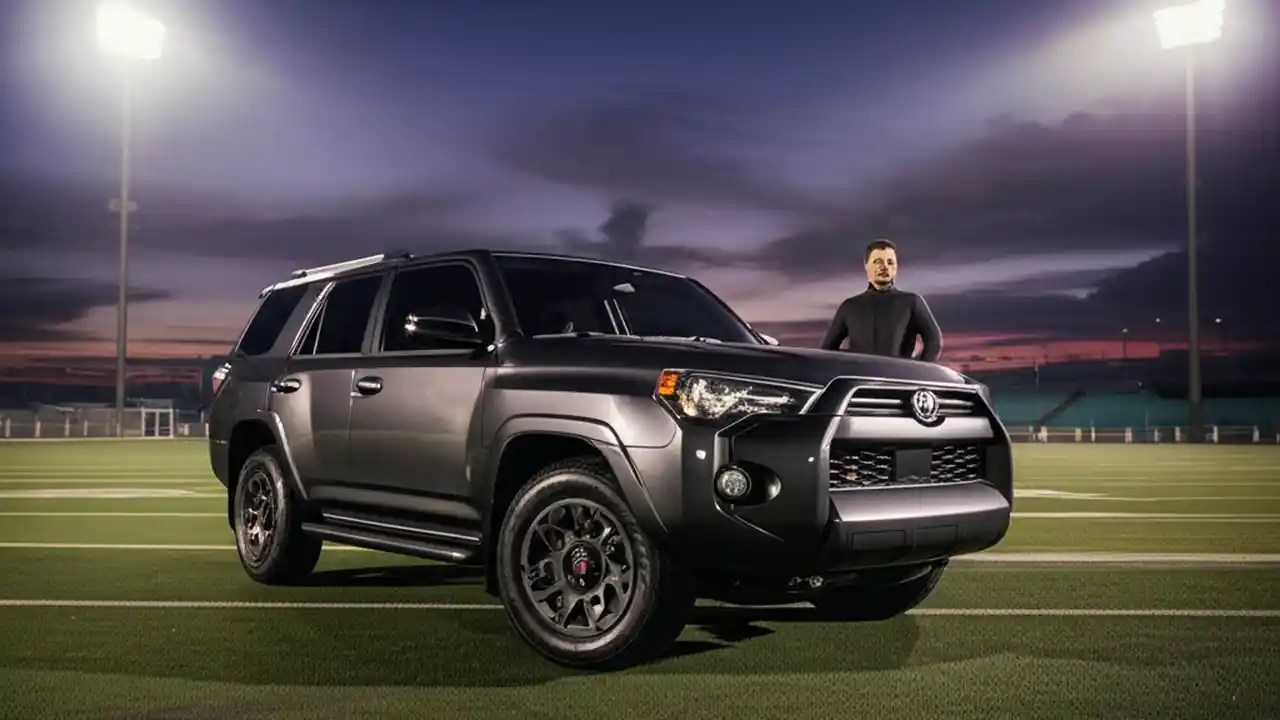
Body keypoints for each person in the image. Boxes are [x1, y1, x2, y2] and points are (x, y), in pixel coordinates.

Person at [820, 238, 943, 362]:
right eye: (878, 262)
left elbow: (934, 341)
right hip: (860, 379)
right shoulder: (850, 306)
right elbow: (828, 350)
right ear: (866, 265)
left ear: (896, 267)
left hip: (897, 379)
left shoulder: (911, 302)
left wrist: (917, 372)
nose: (884, 267)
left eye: (890, 262)